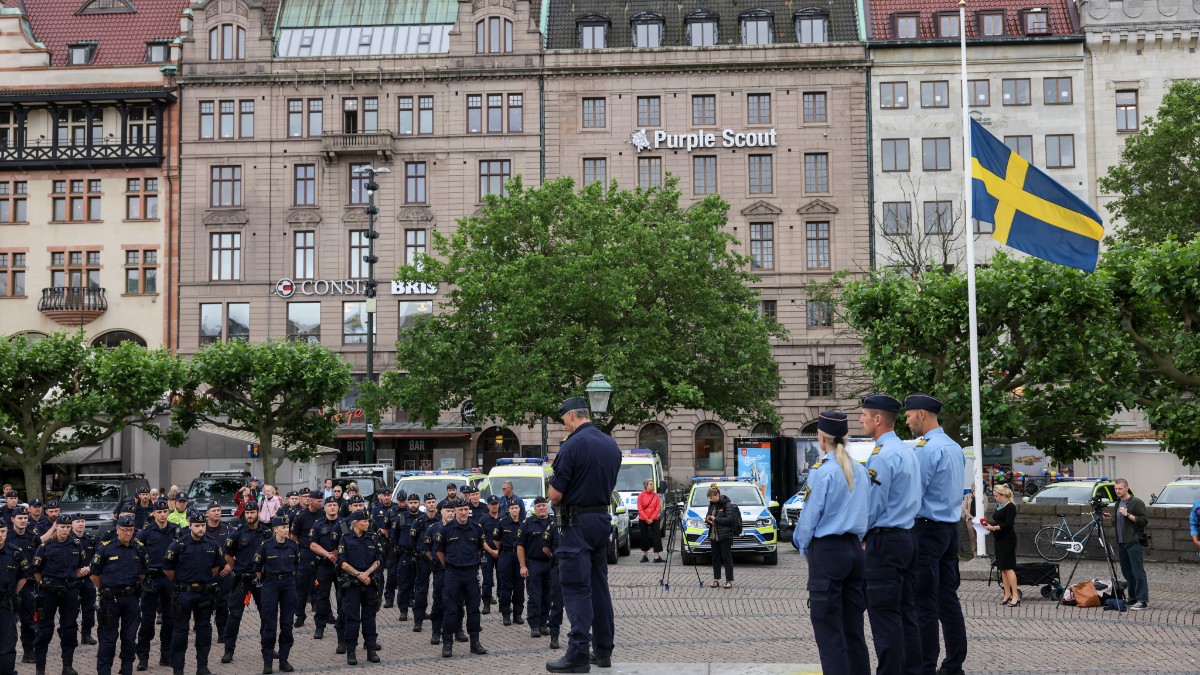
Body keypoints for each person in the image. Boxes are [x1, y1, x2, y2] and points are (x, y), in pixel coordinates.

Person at [545, 396, 621, 674]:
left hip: (575, 524)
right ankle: (603, 651)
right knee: (599, 586)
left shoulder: (572, 445)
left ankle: (577, 654)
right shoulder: (611, 444)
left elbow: (555, 495)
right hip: (601, 520)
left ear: (572, 416)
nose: (564, 423)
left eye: (564, 419)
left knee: (576, 587)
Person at [793, 412, 870, 675]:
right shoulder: (860, 469)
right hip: (853, 550)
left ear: (821, 438)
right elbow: (866, 514)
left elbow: (809, 517)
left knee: (829, 633)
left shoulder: (822, 472)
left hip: (827, 552)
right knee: (853, 630)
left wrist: (802, 545)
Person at [905, 392, 968, 675]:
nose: (906, 422)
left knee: (924, 603)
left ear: (921, 414)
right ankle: (954, 664)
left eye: (908, 416)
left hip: (927, 530)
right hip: (949, 529)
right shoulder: (954, 447)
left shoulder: (926, 449)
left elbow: (912, 494)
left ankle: (924, 666)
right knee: (948, 601)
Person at [859, 394, 922, 675]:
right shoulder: (908, 450)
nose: (860, 420)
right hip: (907, 537)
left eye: (863, 415)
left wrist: (860, 534)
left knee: (884, 617)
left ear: (878, 419)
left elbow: (873, 503)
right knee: (907, 613)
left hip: (884, 541)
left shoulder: (882, 455)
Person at [165, 514, 224, 675]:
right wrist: (183, 582)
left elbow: (215, 567)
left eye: (202, 525)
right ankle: (178, 668)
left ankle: (202, 666)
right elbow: (169, 570)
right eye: (197, 526)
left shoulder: (212, 544)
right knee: (180, 633)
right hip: (184, 594)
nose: (200, 528)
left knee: (204, 631)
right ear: (190, 526)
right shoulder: (178, 545)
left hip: (204, 593)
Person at [31, 514, 88, 675]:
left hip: (69, 590)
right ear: (56, 527)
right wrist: (44, 584)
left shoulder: (76, 545)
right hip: (49, 592)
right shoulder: (45, 546)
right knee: (45, 629)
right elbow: (36, 570)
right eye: (62, 527)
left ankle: (67, 666)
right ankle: (40, 669)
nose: (65, 530)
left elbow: (79, 568)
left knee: (69, 628)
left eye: (68, 527)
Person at [90, 515, 146, 675]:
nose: (128, 533)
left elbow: (143, 573)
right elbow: (95, 575)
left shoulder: (139, 548)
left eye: (131, 530)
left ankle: (126, 669)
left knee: (129, 637)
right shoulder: (105, 548)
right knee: (108, 639)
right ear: (117, 530)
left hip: (131, 598)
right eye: (124, 530)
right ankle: (104, 670)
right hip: (110, 599)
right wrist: (105, 589)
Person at [435, 499, 487, 658]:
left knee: (473, 610)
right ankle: (447, 644)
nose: (463, 512)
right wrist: (450, 567)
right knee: (451, 610)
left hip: (471, 573)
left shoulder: (476, 528)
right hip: (453, 574)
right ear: (455, 511)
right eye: (460, 509)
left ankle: (475, 642)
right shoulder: (446, 530)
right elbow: (440, 552)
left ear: (469, 510)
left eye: (466, 509)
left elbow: (479, 550)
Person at [221, 501, 270, 663]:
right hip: (242, 579)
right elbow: (228, 555)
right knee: (234, 615)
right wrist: (237, 569)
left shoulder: (267, 532)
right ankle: (229, 650)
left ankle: (268, 647)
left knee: (266, 614)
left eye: (252, 513)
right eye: (247, 513)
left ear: (258, 513)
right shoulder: (237, 533)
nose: (249, 516)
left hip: (261, 580)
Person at [134, 500, 178, 670]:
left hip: (169, 579)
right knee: (147, 620)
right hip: (151, 580)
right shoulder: (145, 533)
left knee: (169, 619)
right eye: (158, 512)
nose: (162, 515)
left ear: (168, 512)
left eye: (164, 511)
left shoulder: (176, 530)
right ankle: (143, 657)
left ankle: (166, 656)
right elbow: (134, 552)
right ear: (154, 514)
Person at [336, 511, 382, 665]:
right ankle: (351, 651)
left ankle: (371, 650)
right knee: (352, 618)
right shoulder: (345, 539)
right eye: (364, 521)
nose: (367, 523)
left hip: (369, 583)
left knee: (369, 618)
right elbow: (342, 563)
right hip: (352, 584)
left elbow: (378, 560)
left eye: (368, 521)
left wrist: (367, 574)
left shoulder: (373, 538)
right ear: (355, 522)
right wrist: (358, 575)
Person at [255, 516, 299, 674]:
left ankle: (283, 660)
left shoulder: (293, 545)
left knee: (287, 625)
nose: (286, 529)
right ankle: (267, 661)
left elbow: (295, 565)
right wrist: (269, 580)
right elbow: (258, 569)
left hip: (288, 584)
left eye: (287, 527)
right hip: (270, 584)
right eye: (283, 527)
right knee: (269, 625)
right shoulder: (265, 546)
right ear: (275, 529)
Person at [1103, 478, 1149, 610]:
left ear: (1126, 488)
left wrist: (1127, 514)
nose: (1117, 491)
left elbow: (1143, 521)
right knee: (1127, 572)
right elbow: (1118, 523)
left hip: (1133, 541)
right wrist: (1111, 518)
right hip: (1121, 542)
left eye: (1120, 489)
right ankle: (1133, 597)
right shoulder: (1118, 504)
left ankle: (1142, 600)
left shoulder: (1136, 502)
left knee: (1137, 571)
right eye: (1116, 489)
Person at [306, 496, 343, 641]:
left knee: (343, 596)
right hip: (324, 566)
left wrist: (336, 553)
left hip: (341, 566)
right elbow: (312, 544)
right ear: (325, 508)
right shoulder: (318, 524)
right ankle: (320, 626)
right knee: (322, 597)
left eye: (335, 505)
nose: (332, 507)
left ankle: (343, 624)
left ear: (338, 507)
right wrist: (328, 554)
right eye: (330, 505)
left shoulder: (344, 523)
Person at [519, 496, 556, 637]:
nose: (541, 508)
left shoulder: (554, 522)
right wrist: (523, 566)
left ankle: (543, 623)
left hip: (550, 564)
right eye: (538, 506)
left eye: (543, 505)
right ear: (534, 508)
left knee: (548, 595)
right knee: (535, 595)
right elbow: (520, 546)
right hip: (534, 563)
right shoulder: (528, 523)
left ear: (547, 507)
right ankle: (534, 625)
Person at [289, 489, 324, 628]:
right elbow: (294, 536)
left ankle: (325, 613)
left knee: (322, 586)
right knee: (302, 587)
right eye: (318, 501)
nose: (321, 503)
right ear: (310, 501)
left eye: (322, 501)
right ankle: (300, 615)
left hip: (321, 553)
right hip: (305, 554)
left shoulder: (323, 515)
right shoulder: (301, 516)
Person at [8, 506, 38, 663]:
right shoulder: (6, 537)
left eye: (26, 518)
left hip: (27, 584)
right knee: (8, 619)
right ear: (12, 519)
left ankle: (28, 651)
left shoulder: (33, 538)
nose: (23, 521)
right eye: (20, 518)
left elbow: (40, 559)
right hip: (9, 583)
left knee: (28, 619)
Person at [0, 520, 29, 675]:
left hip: (5, 605)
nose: (0, 535)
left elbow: (23, 577)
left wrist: (12, 594)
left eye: (3, 531)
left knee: (7, 645)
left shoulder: (15, 553)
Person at [203, 502, 234, 643]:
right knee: (205, 604)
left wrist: (230, 566)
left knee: (223, 604)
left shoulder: (229, 529)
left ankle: (223, 633)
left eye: (218, 510)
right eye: (213, 510)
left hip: (224, 573)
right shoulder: (201, 529)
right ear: (207, 514)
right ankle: (204, 632)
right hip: (206, 574)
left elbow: (238, 549)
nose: (216, 512)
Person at [409, 493, 440, 633]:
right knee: (421, 590)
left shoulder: (441, 521)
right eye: (429, 502)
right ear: (425, 505)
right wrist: (418, 553)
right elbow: (412, 541)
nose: (432, 504)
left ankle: (439, 618)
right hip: (423, 560)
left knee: (440, 590)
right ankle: (418, 620)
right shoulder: (419, 522)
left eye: (433, 502)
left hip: (439, 560)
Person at [389, 493, 422, 620]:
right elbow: (393, 535)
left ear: (419, 503)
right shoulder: (401, 518)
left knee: (420, 585)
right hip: (405, 556)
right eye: (411, 503)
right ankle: (403, 611)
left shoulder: (423, 518)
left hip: (420, 556)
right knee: (403, 584)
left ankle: (420, 610)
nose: (413, 505)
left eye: (415, 502)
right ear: (408, 503)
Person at [493, 500, 525, 627]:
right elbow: (496, 540)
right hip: (506, 555)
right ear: (509, 510)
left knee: (519, 587)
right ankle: (506, 615)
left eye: (516, 507)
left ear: (519, 509)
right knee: (506, 587)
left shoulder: (524, 523)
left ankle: (518, 615)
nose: (515, 510)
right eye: (512, 508)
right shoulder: (502, 522)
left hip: (519, 557)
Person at [68, 515, 98, 647]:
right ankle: (71, 635)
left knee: (89, 608)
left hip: (87, 577)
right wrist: (76, 571)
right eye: (77, 521)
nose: (80, 524)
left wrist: (89, 568)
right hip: (72, 578)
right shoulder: (67, 539)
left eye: (82, 521)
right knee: (71, 608)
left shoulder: (90, 539)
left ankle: (86, 634)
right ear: (72, 524)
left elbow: (98, 556)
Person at [986, 484, 1019, 606]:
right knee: (1002, 568)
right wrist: (988, 525)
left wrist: (993, 527)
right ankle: (1007, 593)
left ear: (1003, 495)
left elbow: (1008, 524)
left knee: (1009, 567)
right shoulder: (1000, 505)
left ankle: (1015, 595)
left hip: (1007, 539)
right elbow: (998, 520)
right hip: (999, 539)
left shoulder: (1010, 506)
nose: (995, 498)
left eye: (996, 496)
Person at [705, 485, 741, 589]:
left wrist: (715, 519)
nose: (711, 500)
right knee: (715, 558)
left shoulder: (727, 504)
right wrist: (707, 520)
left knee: (726, 558)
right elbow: (709, 515)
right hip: (713, 534)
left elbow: (729, 520)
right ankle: (716, 579)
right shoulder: (711, 504)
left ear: (717, 495)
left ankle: (729, 580)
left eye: (713, 498)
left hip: (725, 535)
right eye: (710, 499)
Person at [478, 496, 502, 616]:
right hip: (487, 553)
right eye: (492, 504)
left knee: (502, 578)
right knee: (487, 579)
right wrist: (491, 551)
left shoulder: (503, 519)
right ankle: (486, 604)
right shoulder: (483, 520)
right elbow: (481, 540)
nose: (495, 506)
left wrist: (499, 551)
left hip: (501, 553)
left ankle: (503, 603)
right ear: (488, 505)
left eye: (496, 503)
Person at [636, 480, 664, 564]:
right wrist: (646, 518)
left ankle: (657, 556)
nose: (652, 486)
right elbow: (640, 509)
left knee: (657, 536)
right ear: (646, 486)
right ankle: (645, 556)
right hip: (643, 519)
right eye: (651, 484)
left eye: (653, 484)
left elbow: (658, 508)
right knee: (644, 536)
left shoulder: (656, 496)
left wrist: (651, 518)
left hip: (654, 519)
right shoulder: (641, 495)